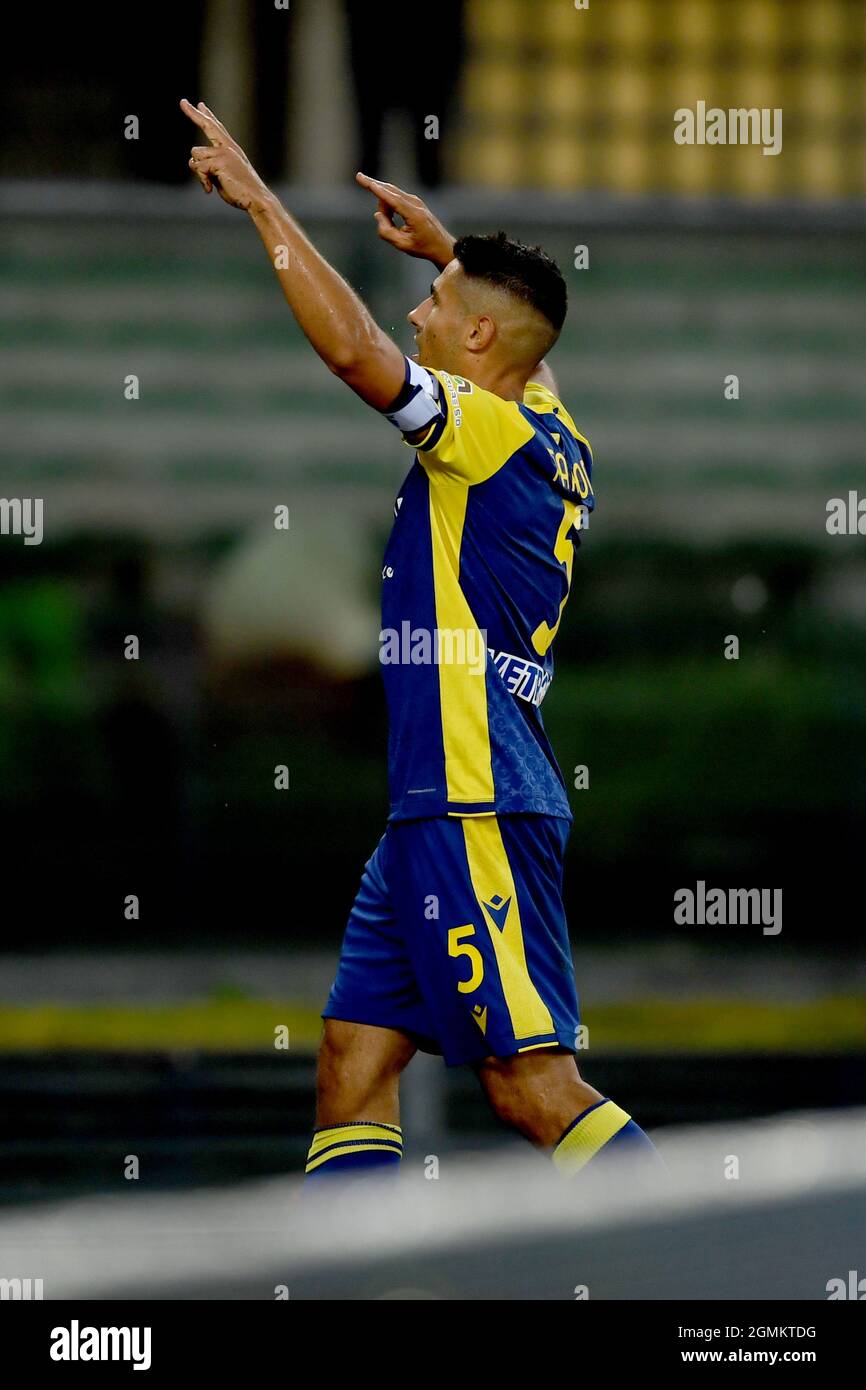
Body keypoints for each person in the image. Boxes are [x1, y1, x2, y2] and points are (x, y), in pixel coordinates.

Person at [182, 98, 661, 1181]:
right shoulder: (553, 428)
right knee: (353, 1064)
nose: (417, 313)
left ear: (480, 339)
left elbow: (355, 353)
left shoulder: (481, 430)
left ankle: (711, 1286)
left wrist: (265, 207)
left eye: (436, 301)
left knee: (529, 1084)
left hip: (472, 791)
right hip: (431, 805)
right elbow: (526, 351)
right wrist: (454, 253)